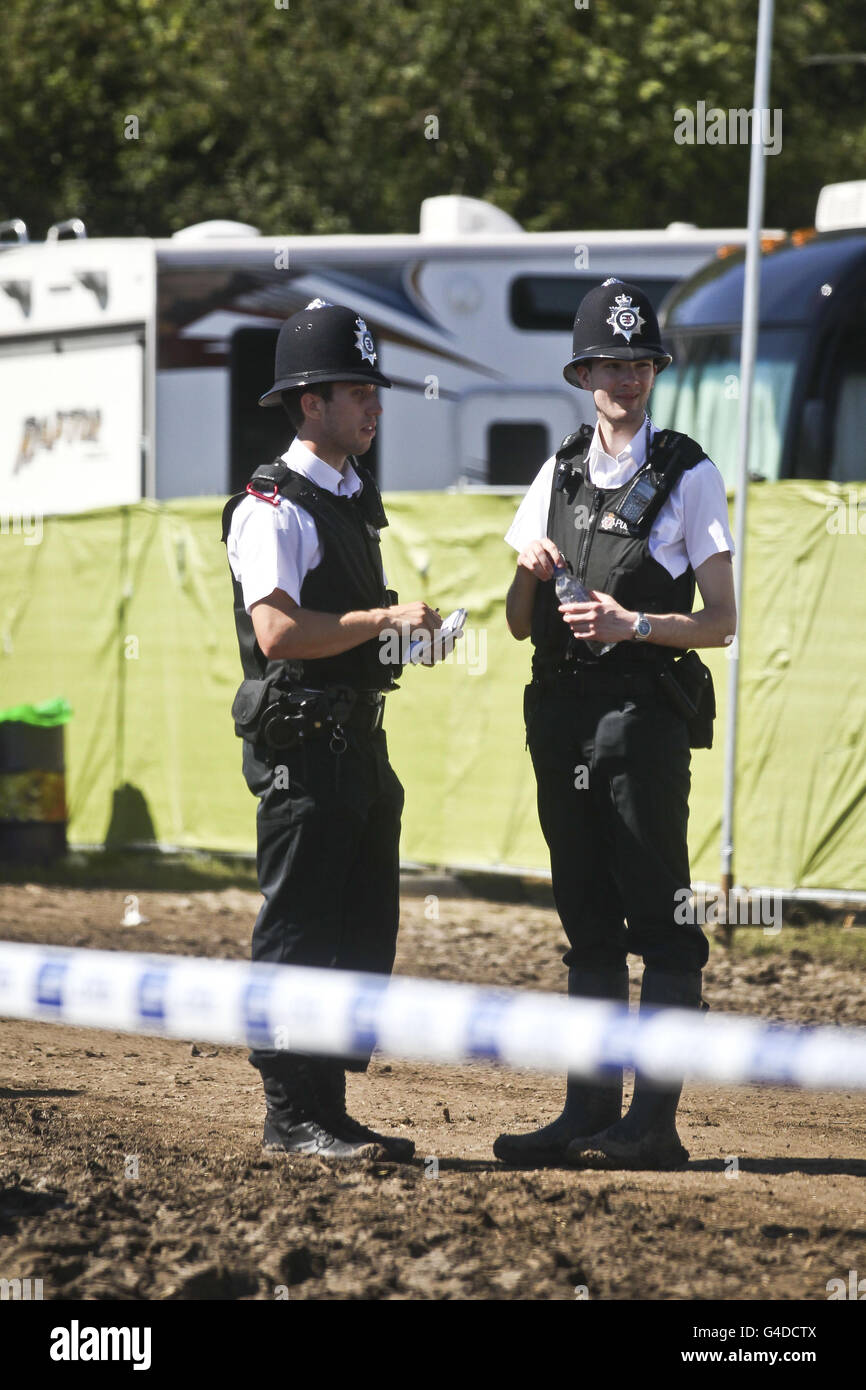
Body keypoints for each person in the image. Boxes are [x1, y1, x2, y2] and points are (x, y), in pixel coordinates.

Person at [494, 278, 736, 1171]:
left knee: (661, 920)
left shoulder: (688, 471)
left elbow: (722, 620)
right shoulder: (555, 469)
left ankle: (653, 1126)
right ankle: (586, 1113)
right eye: (610, 364)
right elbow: (520, 621)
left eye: (640, 364)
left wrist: (635, 623)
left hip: (641, 720)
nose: (625, 379)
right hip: (560, 717)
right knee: (587, 919)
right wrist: (528, 570)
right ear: (583, 371)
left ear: (652, 371)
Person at [221, 300, 441, 1162]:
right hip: (303, 752)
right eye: (357, 390)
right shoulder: (271, 504)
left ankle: (331, 1112)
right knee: (300, 931)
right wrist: (384, 616)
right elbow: (278, 633)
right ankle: (290, 1115)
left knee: (358, 929)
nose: (375, 404)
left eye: (374, 388)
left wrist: (396, 635)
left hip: (358, 745)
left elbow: (336, 625)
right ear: (308, 402)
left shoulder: (350, 496)